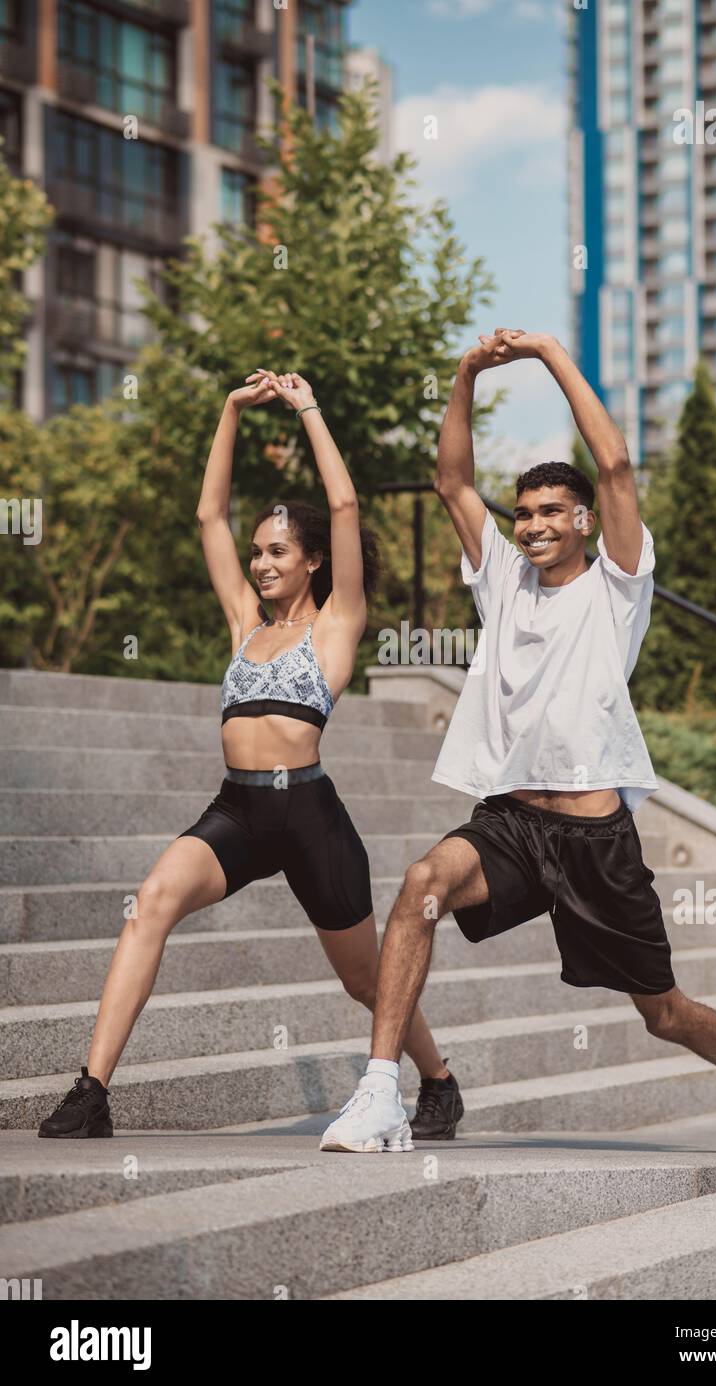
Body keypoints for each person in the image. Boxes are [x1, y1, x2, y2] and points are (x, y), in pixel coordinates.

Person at [320, 329, 716, 1156]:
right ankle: (380, 1090)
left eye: (546, 513)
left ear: (581, 522)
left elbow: (615, 468)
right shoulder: (502, 578)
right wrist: (463, 371)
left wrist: (547, 355)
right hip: (509, 825)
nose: (529, 525)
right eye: (522, 513)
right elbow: (451, 481)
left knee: (662, 1012)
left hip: (596, 837)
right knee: (422, 883)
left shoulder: (617, 585)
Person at [38, 368, 463, 1144]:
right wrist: (230, 410)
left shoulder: (337, 624)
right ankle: (92, 1090)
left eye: (278, 552)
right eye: (258, 552)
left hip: (308, 813)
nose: (262, 563)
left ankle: (437, 1080)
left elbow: (343, 504)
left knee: (363, 977)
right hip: (236, 808)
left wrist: (308, 408)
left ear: (311, 563)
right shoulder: (244, 622)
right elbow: (208, 513)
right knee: (150, 904)